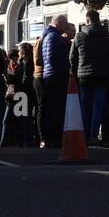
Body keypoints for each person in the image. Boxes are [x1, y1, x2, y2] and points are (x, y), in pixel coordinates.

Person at [70, 10, 109, 146]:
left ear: (87, 20)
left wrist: (74, 73)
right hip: (102, 76)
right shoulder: (107, 36)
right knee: (99, 108)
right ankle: (93, 136)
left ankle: (84, 137)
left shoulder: (79, 36)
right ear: (98, 20)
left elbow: (72, 57)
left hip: (83, 77)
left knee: (85, 108)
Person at [38, 13, 70, 149]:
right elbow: (53, 58)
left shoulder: (51, 36)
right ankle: (55, 139)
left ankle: (53, 138)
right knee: (56, 109)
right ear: (57, 23)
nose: (67, 26)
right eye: (65, 23)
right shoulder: (53, 37)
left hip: (51, 75)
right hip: (55, 77)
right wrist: (64, 70)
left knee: (53, 109)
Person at [1, 42, 37, 147]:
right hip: (23, 93)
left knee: (21, 119)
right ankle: (25, 141)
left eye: (20, 50)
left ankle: (22, 141)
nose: (18, 52)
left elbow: (23, 79)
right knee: (23, 119)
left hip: (21, 94)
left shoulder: (25, 63)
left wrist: (13, 80)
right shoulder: (25, 62)